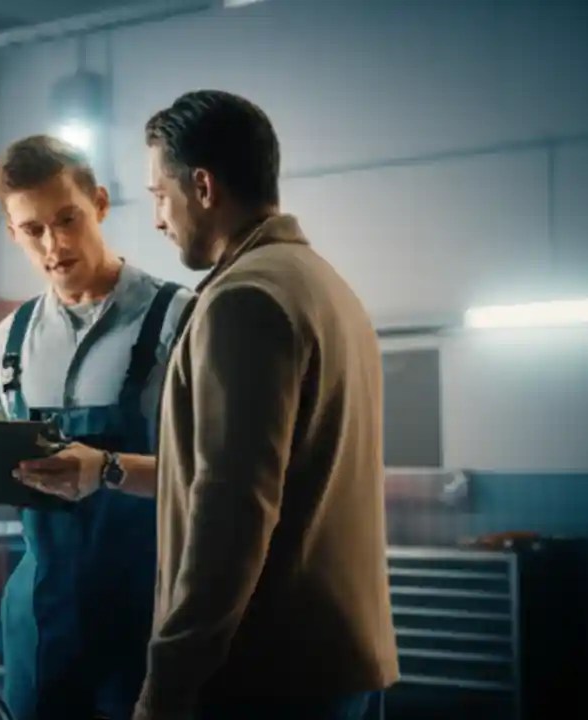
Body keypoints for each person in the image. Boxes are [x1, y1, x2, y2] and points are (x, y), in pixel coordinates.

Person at [128, 90, 398, 719]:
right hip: (336, 665)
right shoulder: (326, 287)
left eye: (157, 197)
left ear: (202, 186)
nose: (157, 220)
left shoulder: (243, 300)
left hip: (268, 675)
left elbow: (232, 513)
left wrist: (167, 682)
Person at [0, 134, 195, 720]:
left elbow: (214, 479)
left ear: (99, 203)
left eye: (67, 219)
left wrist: (106, 470)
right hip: (42, 622)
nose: (53, 244)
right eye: (32, 230)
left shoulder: (181, 319)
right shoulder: (9, 342)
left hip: (151, 618)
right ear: (12, 233)